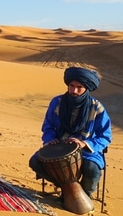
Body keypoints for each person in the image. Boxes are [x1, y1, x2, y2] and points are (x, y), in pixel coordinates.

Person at [28, 66, 112, 196]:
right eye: (72, 86)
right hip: (59, 147)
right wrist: (50, 139)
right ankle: (68, 188)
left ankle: (85, 195)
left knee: (92, 170)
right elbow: (48, 126)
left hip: (86, 150)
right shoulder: (57, 102)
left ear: (87, 88)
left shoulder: (97, 108)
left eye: (79, 87)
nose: (74, 90)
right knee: (35, 162)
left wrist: (84, 144)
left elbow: (105, 137)